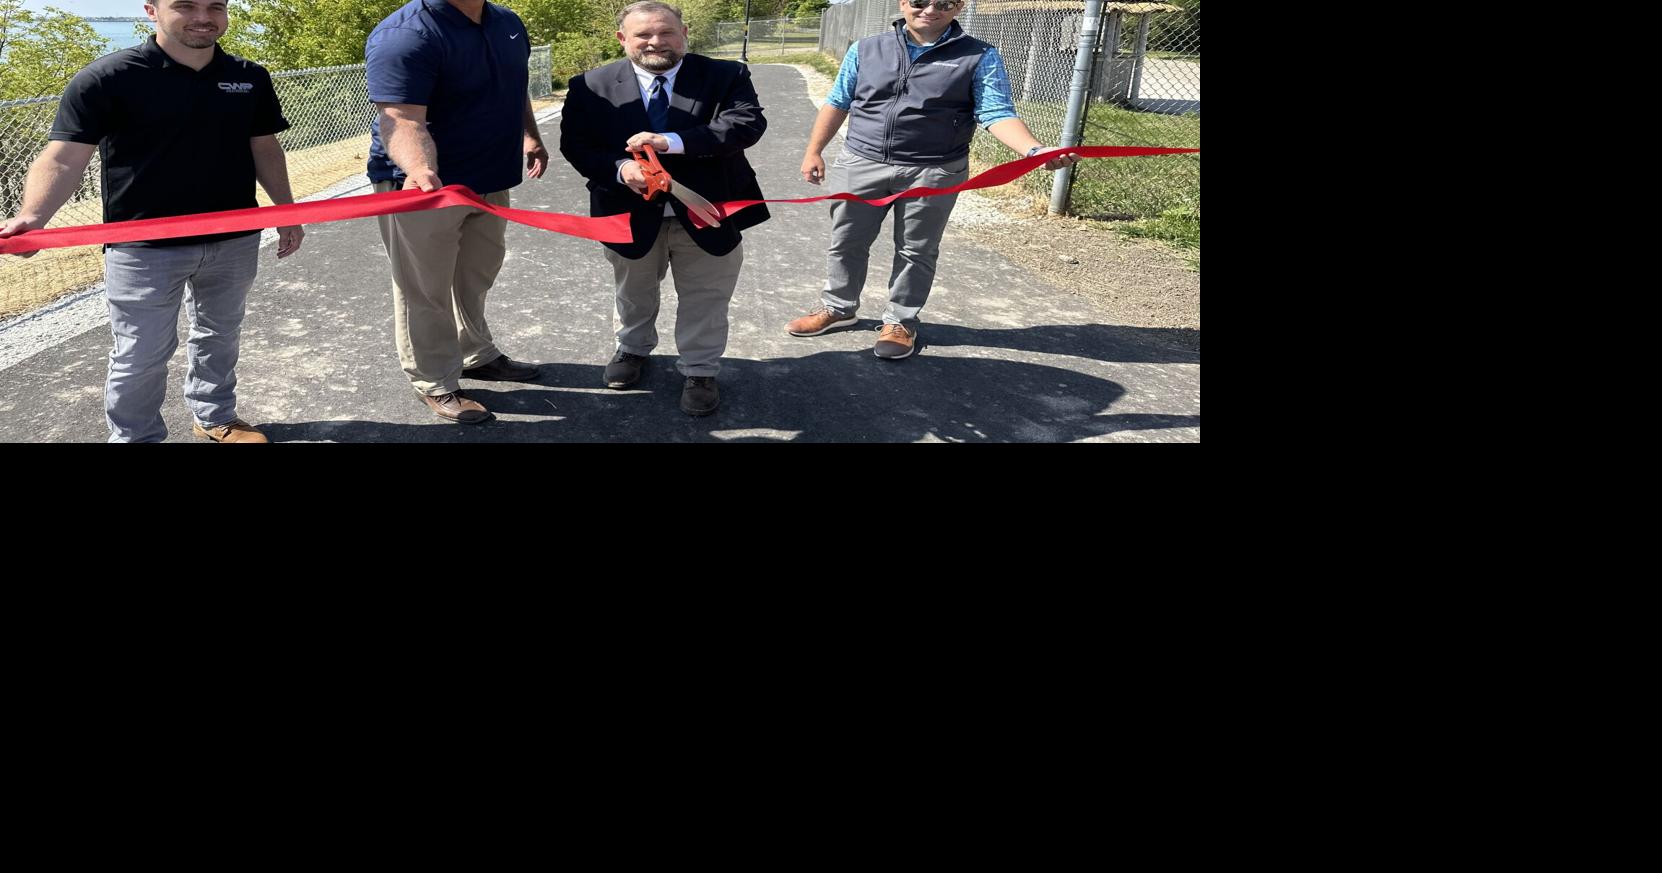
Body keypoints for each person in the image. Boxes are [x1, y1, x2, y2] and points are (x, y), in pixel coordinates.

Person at [0, 0, 303, 443]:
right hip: (143, 248)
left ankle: (214, 416)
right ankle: (135, 438)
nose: (203, 16)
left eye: (215, 6)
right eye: (185, 5)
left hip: (234, 238)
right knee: (140, 355)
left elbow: (264, 147)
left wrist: (287, 211)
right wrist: (33, 218)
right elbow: (64, 159)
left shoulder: (249, 76)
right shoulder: (107, 78)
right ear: (151, 10)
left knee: (220, 336)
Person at [788, 0, 1080, 360]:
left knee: (916, 249)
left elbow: (995, 111)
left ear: (957, 7)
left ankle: (900, 321)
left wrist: (1034, 150)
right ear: (902, 3)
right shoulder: (865, 49)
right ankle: (839, 308)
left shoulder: (978, 55)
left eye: (942, 2)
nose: (930, 9)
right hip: (861, 161)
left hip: (934, 169)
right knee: (846, 240)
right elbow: (838, 101)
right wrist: (814, 150)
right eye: (919, 1)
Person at [559, 1, 768, 416]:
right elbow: (576, 144)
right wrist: (621, 170)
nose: (656, 42)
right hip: (627, 212)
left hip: (709, 210)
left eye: (666, 32)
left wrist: (669, 141)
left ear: (684, 32)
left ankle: (700, 369)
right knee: (633, 293)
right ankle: (632, 350)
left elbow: (746, 124)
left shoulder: (726, 75)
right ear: (623, 40)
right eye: (643, 35)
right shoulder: (590, 84)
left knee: (706, 298)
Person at [366, 0, 550, 424]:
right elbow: (400, 117)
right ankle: (435, 381)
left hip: (489, 176)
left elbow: (513, 86)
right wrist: (420, 169)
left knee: (477, 273)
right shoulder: (406, 34)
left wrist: (530, 136)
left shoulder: (506, 21)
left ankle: (476, 353)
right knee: (424, 289)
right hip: (423, 188)